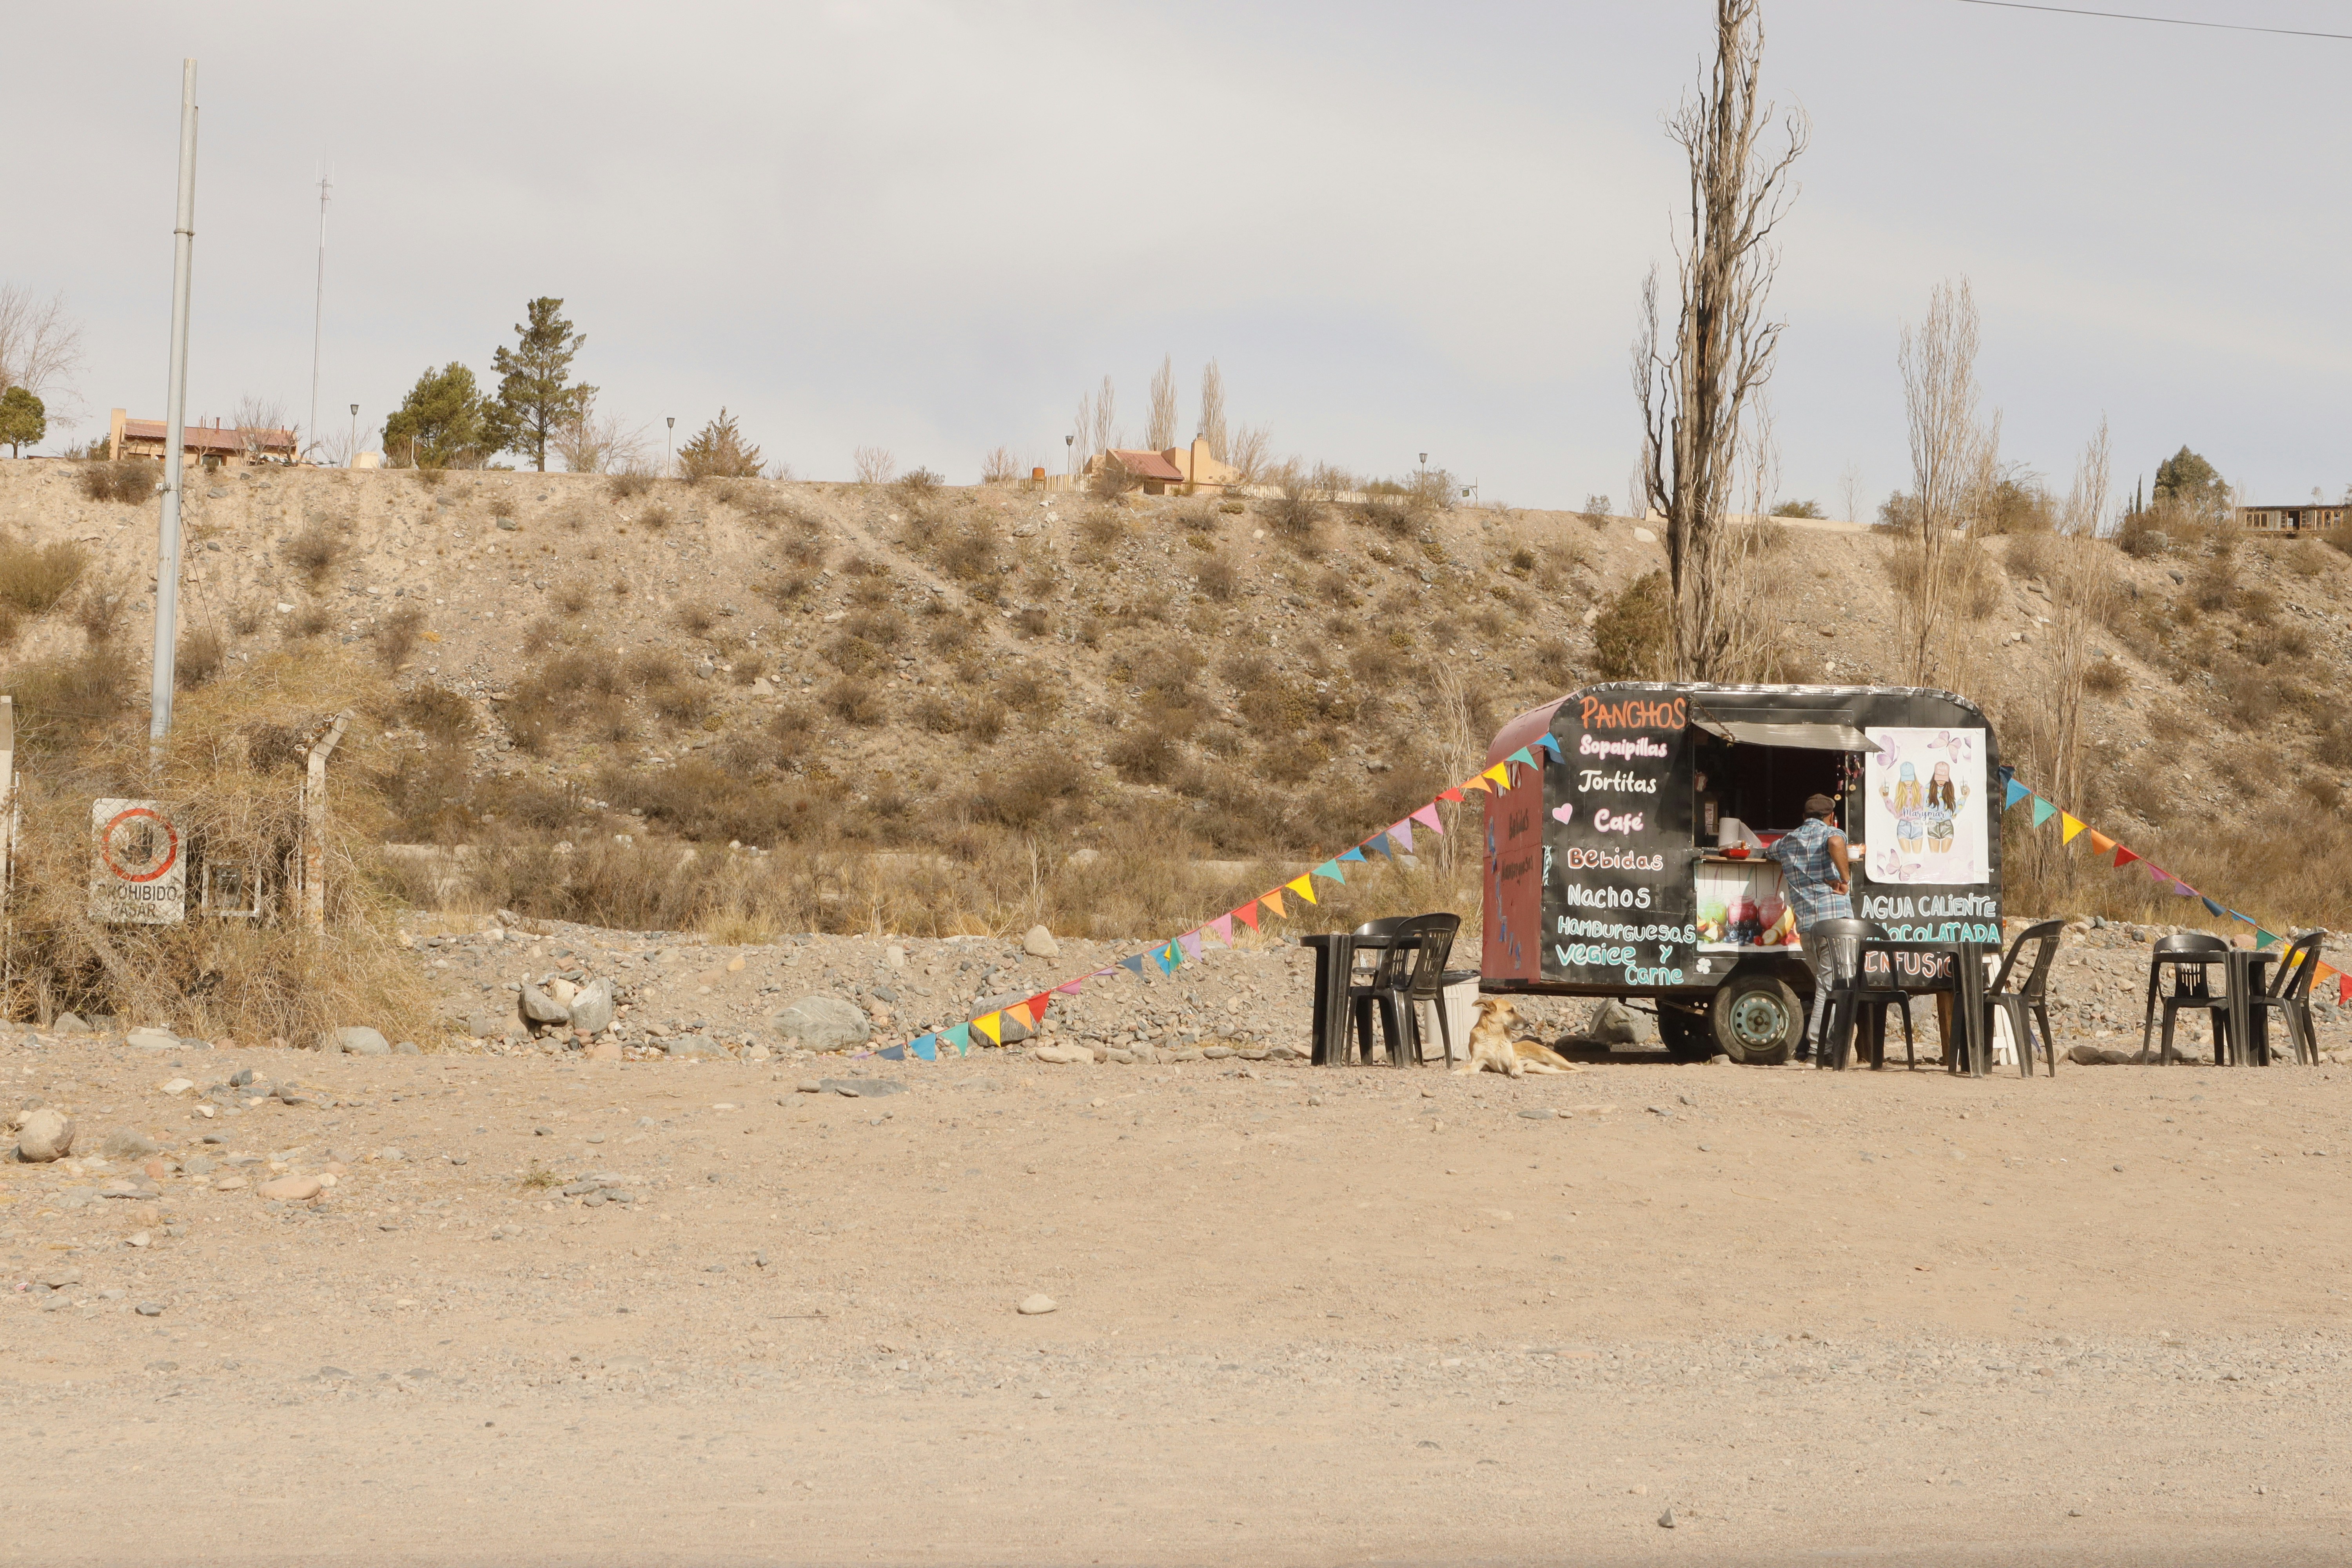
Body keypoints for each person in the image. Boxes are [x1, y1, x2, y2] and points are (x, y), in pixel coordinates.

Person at [1764, 792, 1853, 1063]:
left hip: (1807, 928)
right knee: (1832, 987)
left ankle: (1824, 1049)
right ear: (1830, 817)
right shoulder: (1833, 832)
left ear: (1803, 818)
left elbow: (1768, 852)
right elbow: (1836, 841)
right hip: (1836, 926)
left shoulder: (1787, 842)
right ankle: (1818, 1050)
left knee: (1824, 986)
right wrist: (1845, 878)